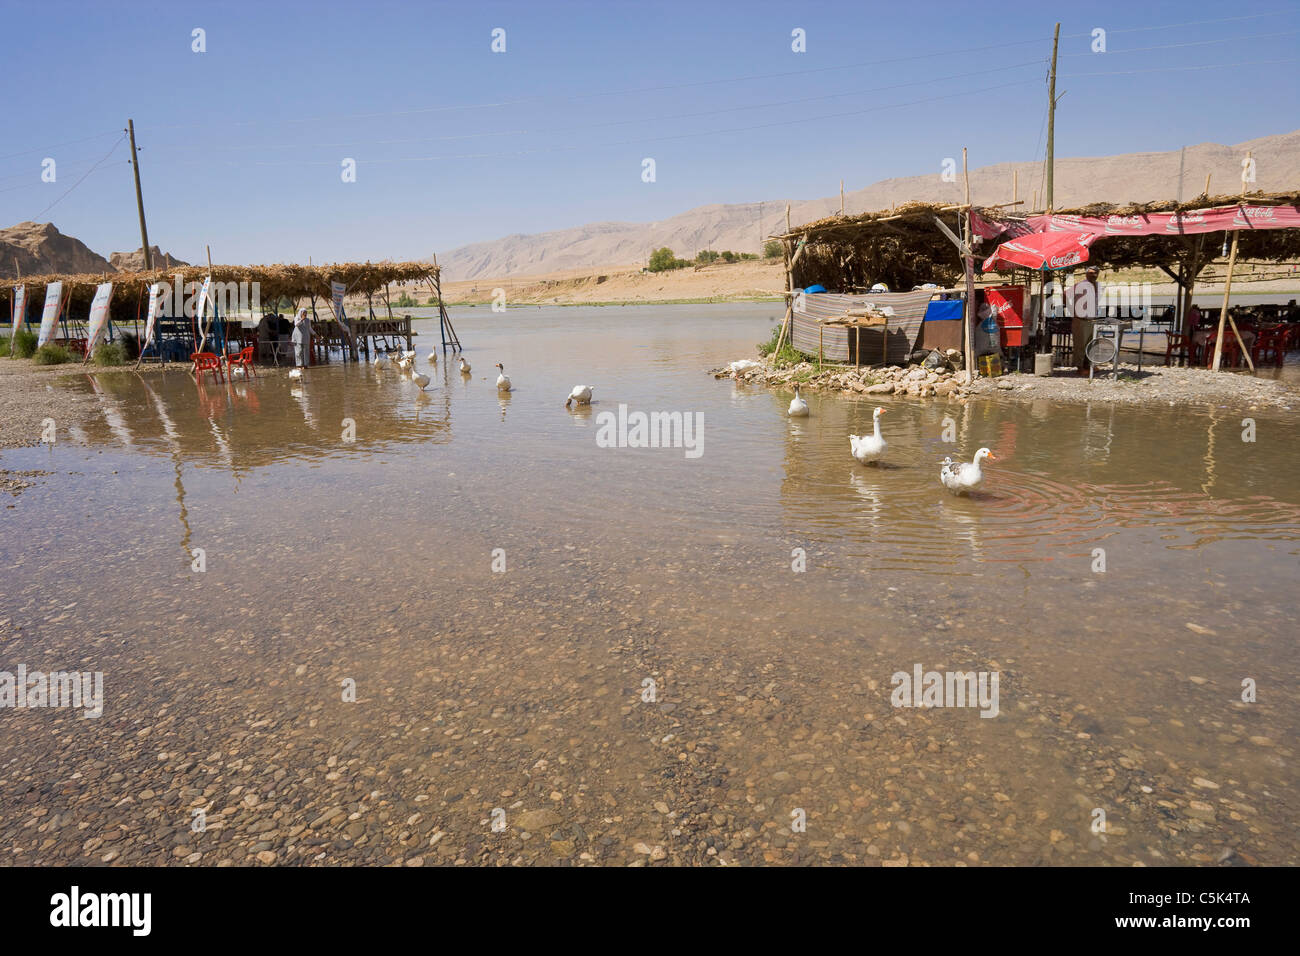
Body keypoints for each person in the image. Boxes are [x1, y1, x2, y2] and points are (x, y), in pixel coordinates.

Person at [1067, 265, 1102, 374]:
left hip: (1092, 319)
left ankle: (1088, 365)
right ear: (1086, 274)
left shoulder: (1097, 285)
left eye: (1095, 273)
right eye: (1091, 273)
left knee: (1091, 343)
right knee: (1080, 345)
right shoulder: (1081, 285)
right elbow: (1064, 294)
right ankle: (1080, 368)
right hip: (1080, 319)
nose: (1093, 275)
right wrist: (1071, 310)